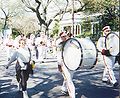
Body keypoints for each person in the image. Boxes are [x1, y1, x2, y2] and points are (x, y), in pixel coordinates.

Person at [56, 32, 75, 98]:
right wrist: (59, 64)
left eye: (65, 36)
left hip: (72, 63)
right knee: (69, 80)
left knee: (68, 78)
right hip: (64, 64)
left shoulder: (72, 43)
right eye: (62, 36)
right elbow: (58, 55)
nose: (64, 37)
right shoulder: (60, 45)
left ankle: (64, 87)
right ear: (61, 38)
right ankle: (72, 95)